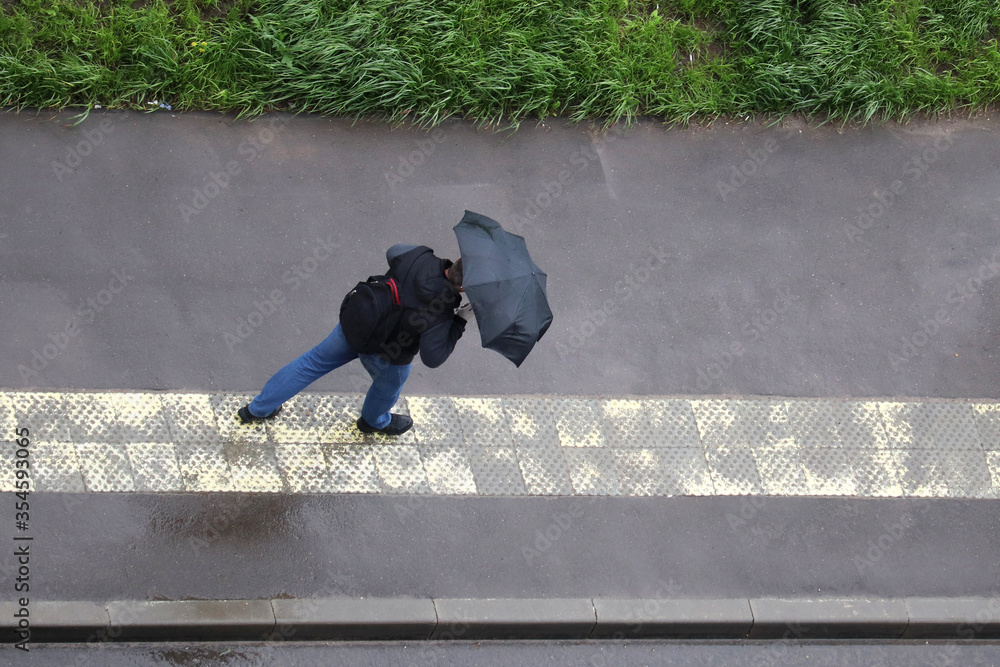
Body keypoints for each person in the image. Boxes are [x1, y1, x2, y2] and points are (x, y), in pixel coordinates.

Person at [237, 244, 472, 436]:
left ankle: (257, 410)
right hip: (387, 355)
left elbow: (393, 251)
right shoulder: (440, 315)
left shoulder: (419, 256)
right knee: (387, 388)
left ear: (459, 257)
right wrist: (460, 319)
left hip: (358, 324)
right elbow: (433, 357)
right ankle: (374, 421)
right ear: (465, 286)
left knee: (312, 363)